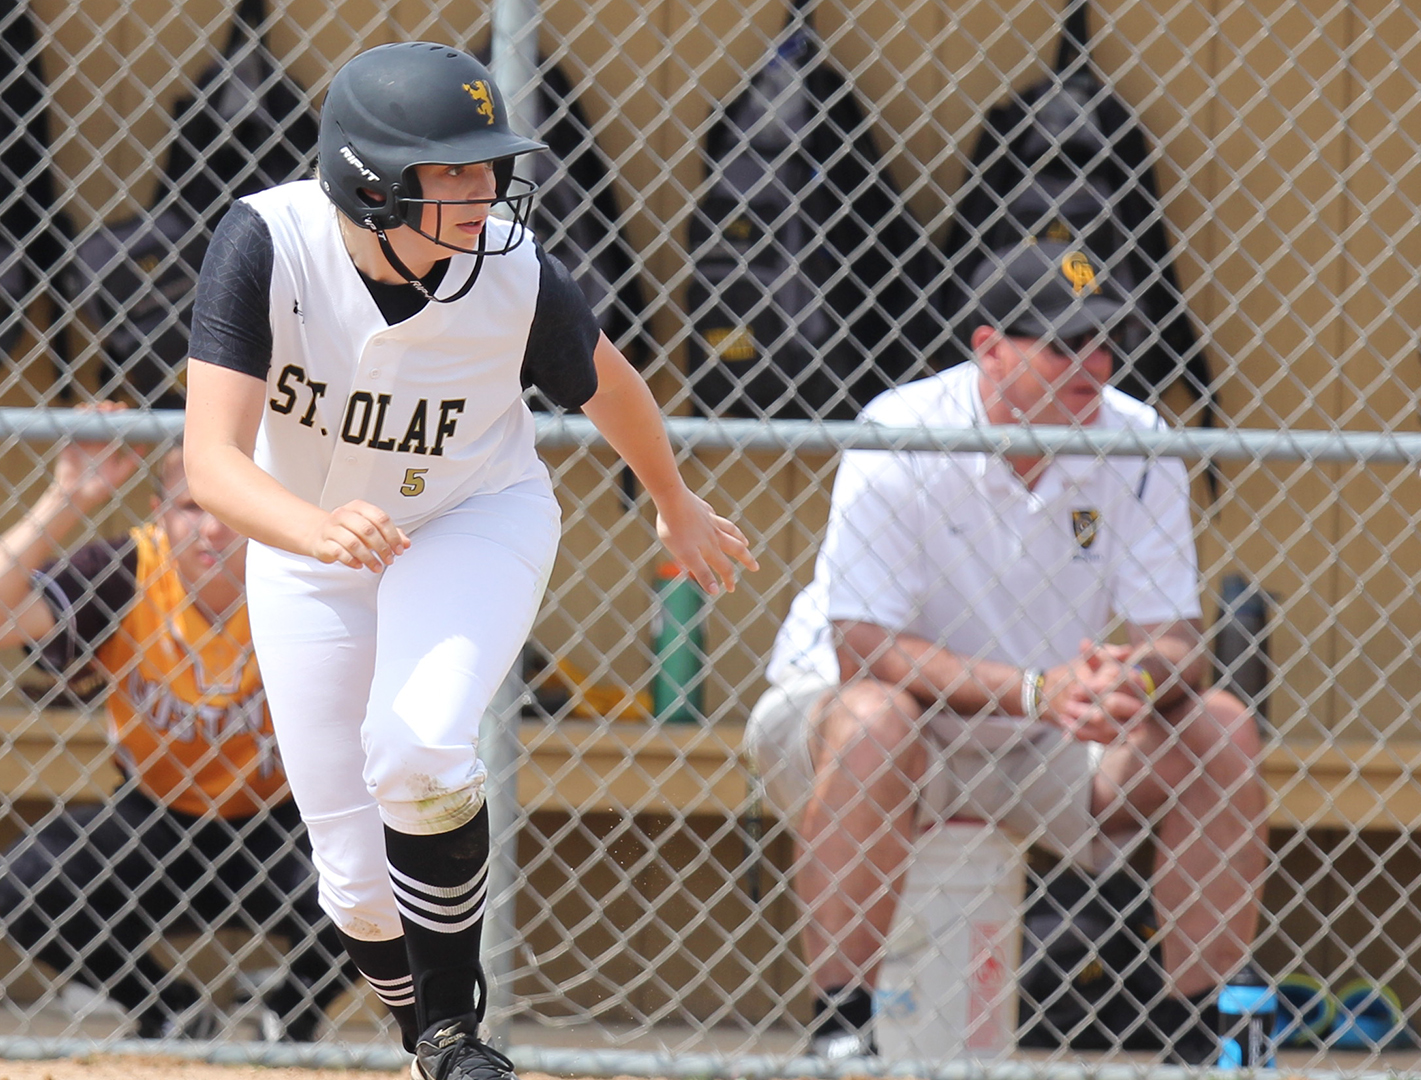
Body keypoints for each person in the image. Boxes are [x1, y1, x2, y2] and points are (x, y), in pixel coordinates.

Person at [183, 42, 756, 1080]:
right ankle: (424, 1039)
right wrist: (312, 531)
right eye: (449, 173)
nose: (483, 193)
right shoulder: (268, 244)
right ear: (368, 182)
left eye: (487, 169)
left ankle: (455, 1040)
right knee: (354, 886)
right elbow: (211, 464)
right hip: (308, 545)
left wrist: (673, 502)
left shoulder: (513, 273)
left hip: (471, 516)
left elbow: (611, 387)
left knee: (417, 744)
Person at [747, 241, 1267, 1064]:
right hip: (857, 725)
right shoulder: (902, 429)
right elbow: (862, 648)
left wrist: (1129, 680)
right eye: (1065, 343)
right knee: (879, 719)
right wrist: (1033, 689)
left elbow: (1178, 639)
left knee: (1221, 730)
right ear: (990, 349)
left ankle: (1207, 1040)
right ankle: (843, 1033)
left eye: (1106, 341)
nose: (1093, 362)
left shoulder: (1138, 439)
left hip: (1042, 741)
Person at [0, 408, 356, 1041]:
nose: (212, 530)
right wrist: (67, 497)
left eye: (233, 508)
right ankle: (167, 1008)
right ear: (160, 514)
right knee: (25, 880)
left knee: (391, 867)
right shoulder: (130, 568)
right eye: (191, 506)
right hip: (156, 819)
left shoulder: (301, 570)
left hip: (282, 821)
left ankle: (292, 1011)